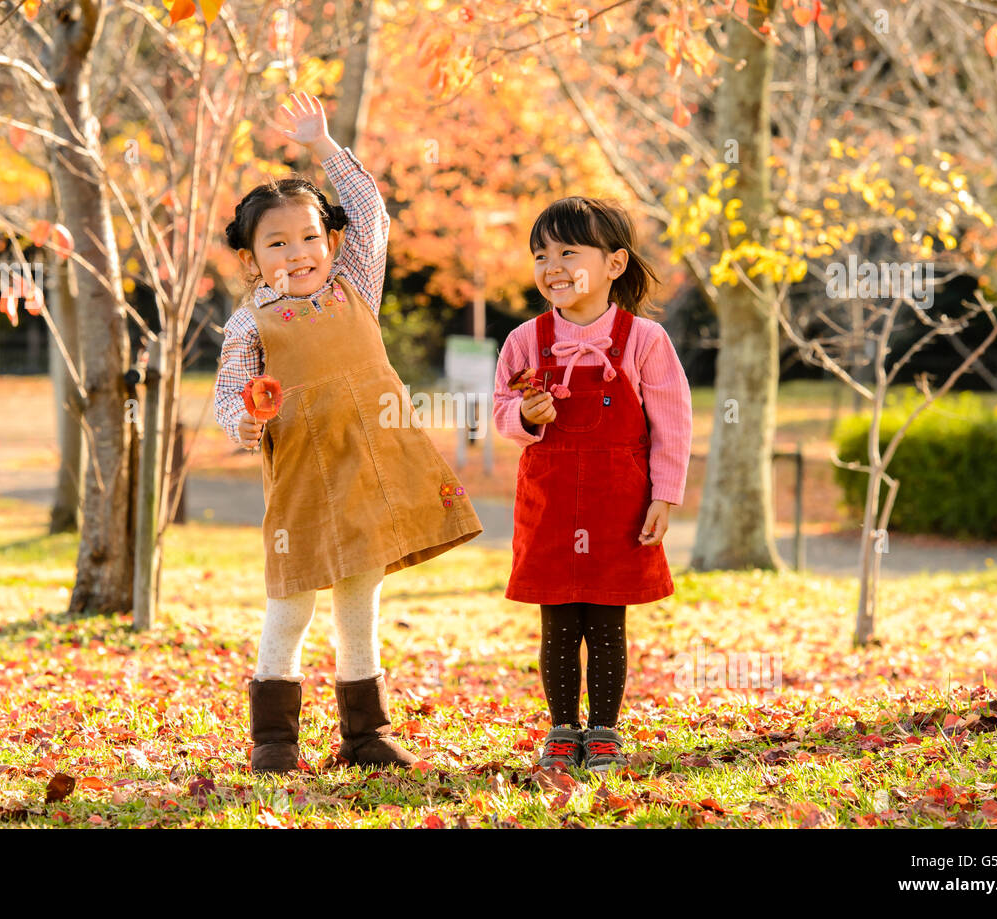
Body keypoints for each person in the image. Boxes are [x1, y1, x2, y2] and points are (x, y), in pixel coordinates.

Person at [215, 92, 483, 773]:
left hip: (372, 465)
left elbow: (370, 210)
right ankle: (274, 741)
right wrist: (245, 421)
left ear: (330, 241)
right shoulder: (252, 323)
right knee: (293, 603)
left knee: (360, 599)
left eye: (309, 236)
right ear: (251, 259)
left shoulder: (354, 284)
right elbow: (227, 398)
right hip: (305, 479)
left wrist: (324, 146)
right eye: (276, 243)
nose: (298, 252)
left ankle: (366, 735)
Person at [492, 196, 692, 772]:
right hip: (550, 500)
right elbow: (502, 411)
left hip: (618, 501)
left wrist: (664, 495)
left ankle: (603, 729)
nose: (551, 265)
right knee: (557, 618)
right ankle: (561, 728)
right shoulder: (525, 341)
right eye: (540, 254)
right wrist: (529, 416)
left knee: (606, 618)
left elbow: (672, 423)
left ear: (614, 263)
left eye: (568, 251)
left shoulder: (645, 341)